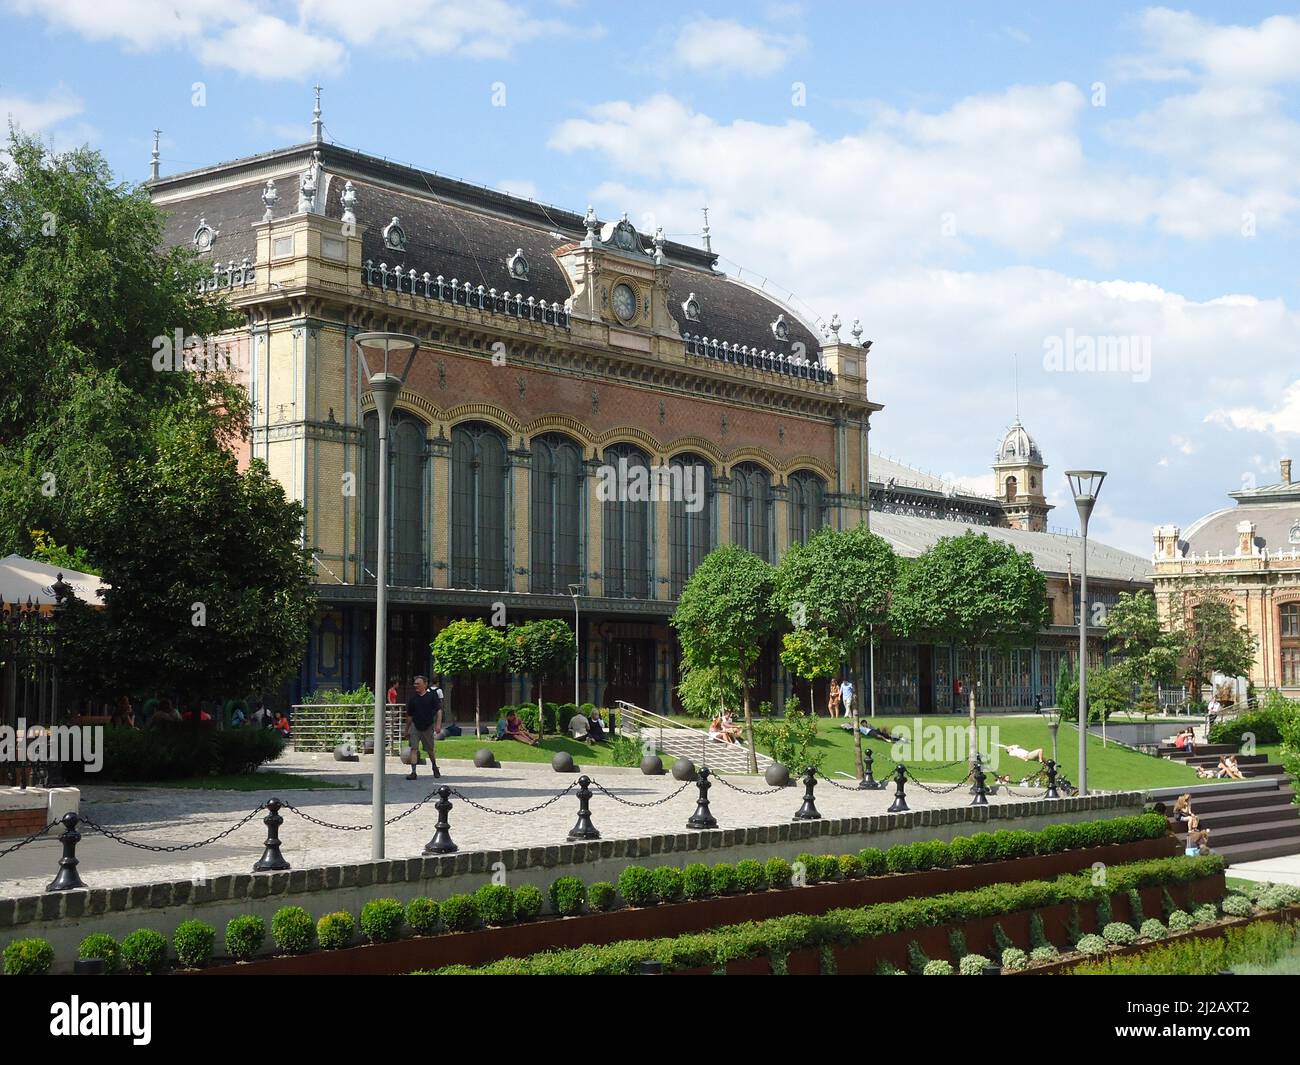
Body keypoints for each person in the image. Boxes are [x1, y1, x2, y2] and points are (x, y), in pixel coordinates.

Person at [403, 675, 443, 779]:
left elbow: (439, 711)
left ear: (425, 684)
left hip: (428, 727)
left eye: (418, 684)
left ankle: (434, 766)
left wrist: (438, 724)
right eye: (415, 684)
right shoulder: (413, 699)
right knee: (413, 749)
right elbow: (410, 716)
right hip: (416, 726)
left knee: (430, 749)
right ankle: (413, 772)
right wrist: (406, 729)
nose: (416, 686)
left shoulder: (432, 696)